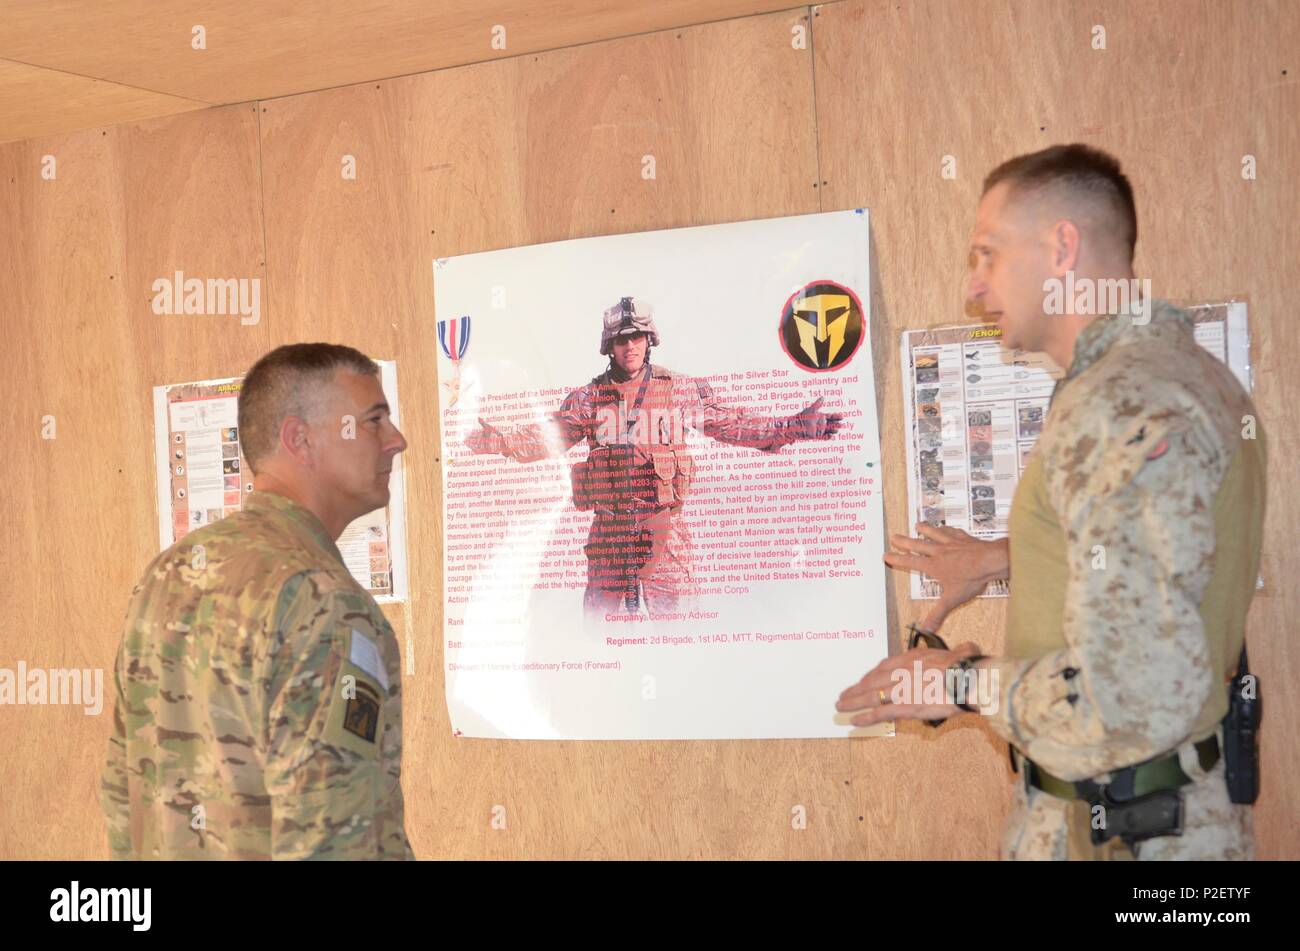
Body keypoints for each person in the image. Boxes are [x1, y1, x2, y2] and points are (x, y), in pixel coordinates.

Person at [838, 144, 1265, 860]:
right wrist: (1009, 558)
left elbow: (1134, 691)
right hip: (1146, 819)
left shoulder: (1124, 404)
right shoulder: (1186, 378)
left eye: (988, 255)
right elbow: (1163, 559)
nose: (974, 286)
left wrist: (962, 680)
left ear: (1062, 246)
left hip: (1129, 830)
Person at [101, 344, 415, 859]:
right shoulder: (326, 603)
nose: (397, 440)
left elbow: (123, 799)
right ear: (301, 440)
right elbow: (336, 839)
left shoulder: (169, 573)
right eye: (373, 420)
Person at [465, 296, 844, 615]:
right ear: (609, 346)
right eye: (622, 339)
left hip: (665, 531)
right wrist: (498, 441)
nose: (630, 346)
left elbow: (731, 425)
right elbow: (548, 437)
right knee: (599, 638)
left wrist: (791, 428)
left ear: (649, 340)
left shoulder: (676, 389)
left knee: (680, 633)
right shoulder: (588, 398)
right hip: (610, 534)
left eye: (637, 337)